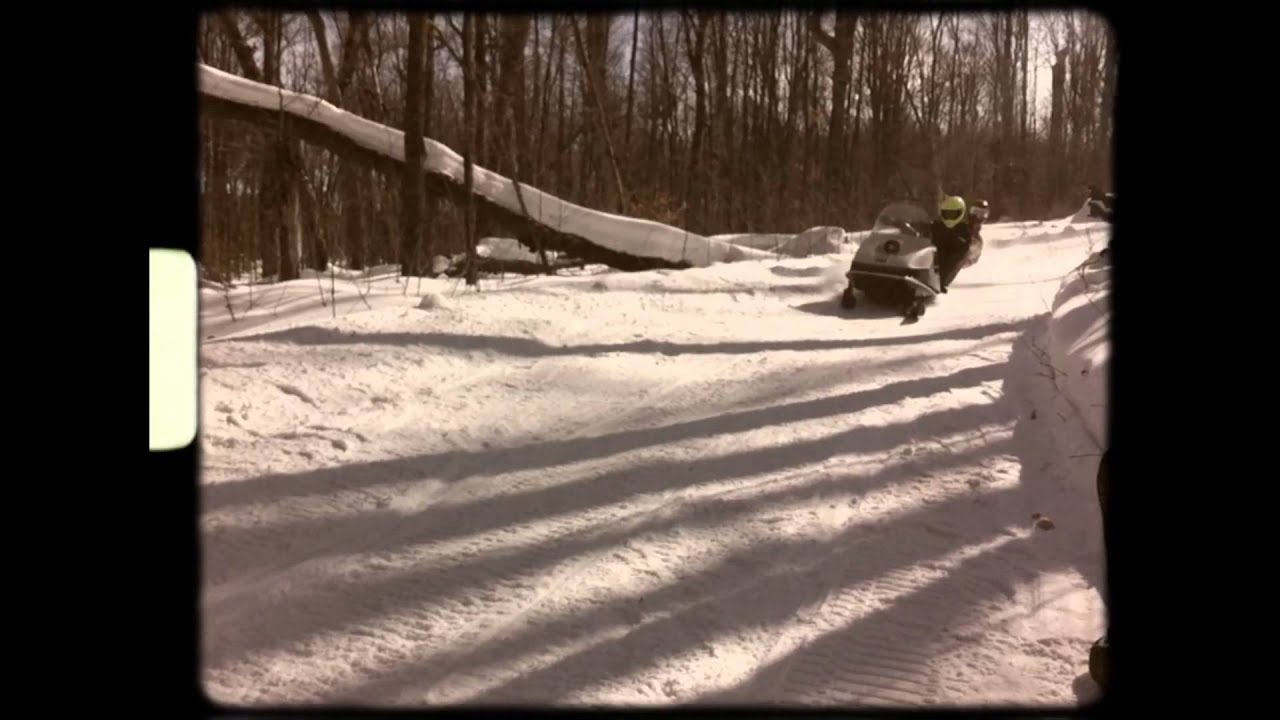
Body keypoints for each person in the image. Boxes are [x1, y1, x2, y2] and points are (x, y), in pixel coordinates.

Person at [930, 195, 972, 293]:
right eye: (947, 214)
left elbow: (956, 255)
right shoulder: (937, 226)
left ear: (960, 214)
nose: (949, 217)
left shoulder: (963, 231)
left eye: (953, 214)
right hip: (924, 262)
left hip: (941, 273)